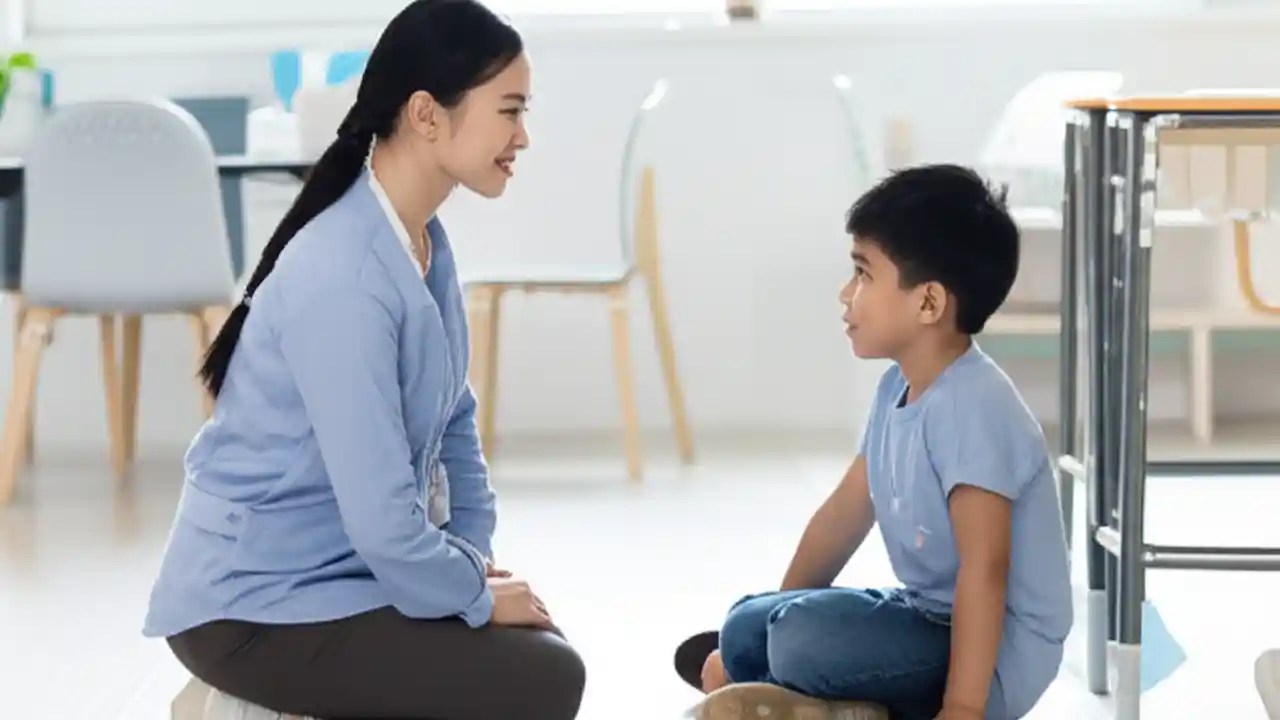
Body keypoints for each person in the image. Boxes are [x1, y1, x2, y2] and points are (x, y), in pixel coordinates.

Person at [142, 2, 586, 718]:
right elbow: (383, 520)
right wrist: (467, 594)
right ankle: (232, 702)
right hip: (250, 608)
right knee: (543, 678)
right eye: (509, 111)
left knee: (538, 652)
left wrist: (469, 567)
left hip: (344, 577)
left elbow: (455, 424)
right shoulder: (342, 277)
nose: (523, 136)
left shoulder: (421, 243)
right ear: (426, 113)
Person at [674, 165, 1072, 720]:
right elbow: (842, 516)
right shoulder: (898, 388)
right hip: (929, 620)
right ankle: (793, 690)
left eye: (863, 274)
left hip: (994, 653)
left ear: (928, 303)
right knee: (749, 623)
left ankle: (819, 701)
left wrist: (962, 708)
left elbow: (986, 569)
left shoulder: (976, 406)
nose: (846, 294)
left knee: (800, 642)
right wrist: (773, 615)